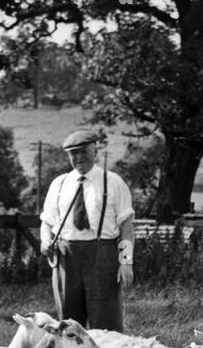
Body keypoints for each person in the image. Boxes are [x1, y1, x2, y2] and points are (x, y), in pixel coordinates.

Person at [39, 128, 135, 332]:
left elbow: (126, 225)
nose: (79, 157)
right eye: (74, 153)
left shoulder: (113, 182)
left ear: (95, 152)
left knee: (106, 322)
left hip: (102, 256)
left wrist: (126, 262)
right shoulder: (60, 183)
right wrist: (45, 241)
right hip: (66, 257)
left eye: (84, 151)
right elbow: (47, 222)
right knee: (69, 325)